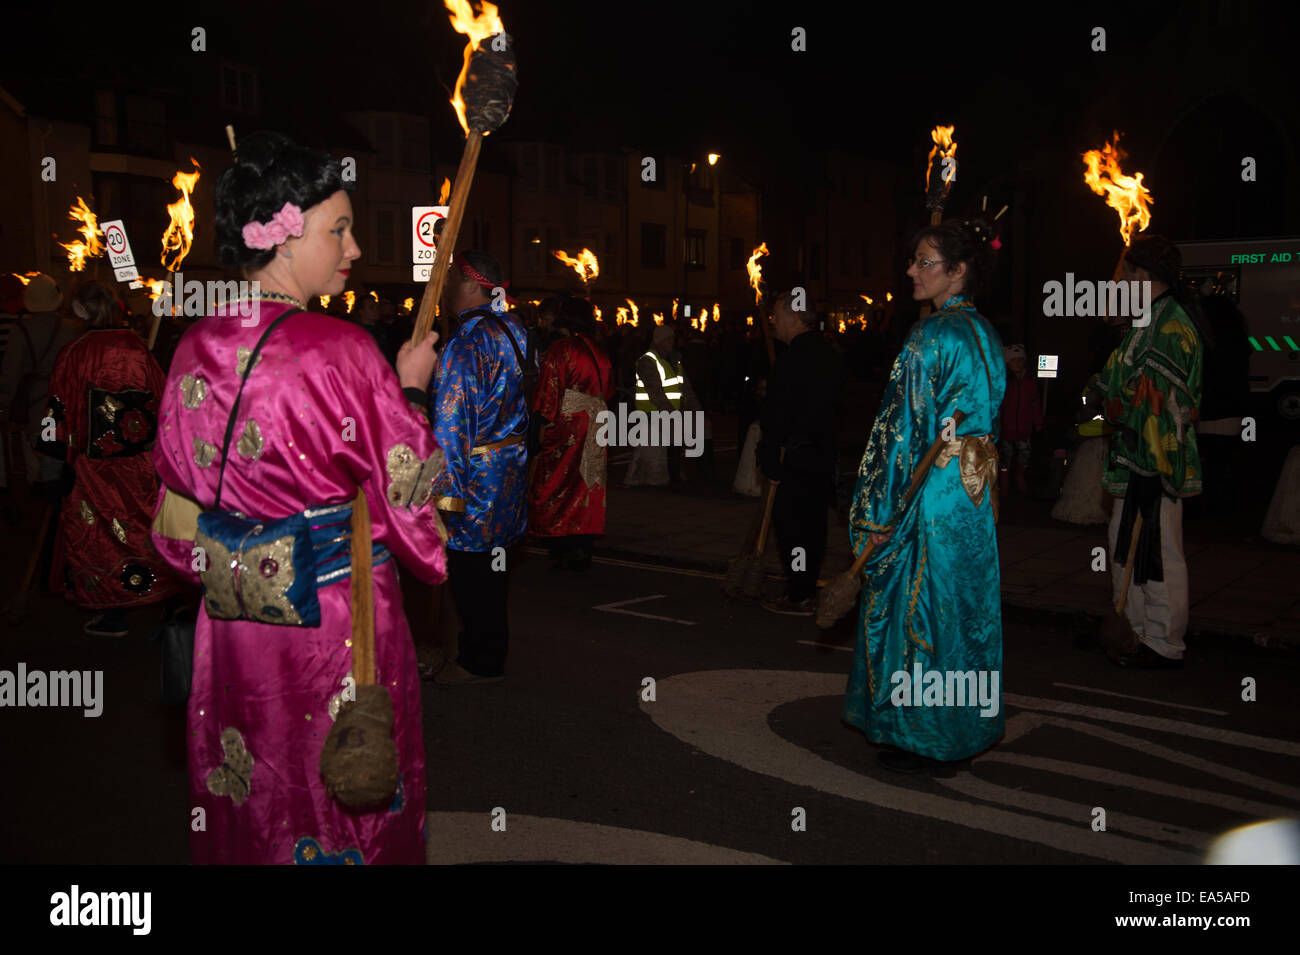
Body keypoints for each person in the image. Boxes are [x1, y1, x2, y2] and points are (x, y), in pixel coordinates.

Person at [149, 131, 446, 864]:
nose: (352, 249)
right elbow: (413, 498)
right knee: (346, 788)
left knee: (252, 784)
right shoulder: (343, 350)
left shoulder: (192, 345)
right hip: (337, 625)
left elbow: (172, 530)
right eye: (337, 229)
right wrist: (409, 388)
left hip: (235, 625)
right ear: (283, 236)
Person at [842, 216, 1006, 775]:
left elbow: (899, 433)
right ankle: (966, 726)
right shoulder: (984, 332)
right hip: (975, 489)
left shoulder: (929, 337)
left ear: (958, 272)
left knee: (923, 607)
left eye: (925, 261)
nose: (911, 270)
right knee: (965, 606)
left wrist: (878, 510)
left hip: (934, 489)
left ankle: (925, 733)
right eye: (913, 259)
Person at [42, 281, 180, 635]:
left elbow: (57, 409)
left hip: (93, 469)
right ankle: (167, 600)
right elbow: (165, 398)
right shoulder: (137, 349)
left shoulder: (73, 353)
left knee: (98, 537)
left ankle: (113, 614)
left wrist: (52, 457)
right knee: (144, 526)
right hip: (138, 464)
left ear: (82, 311)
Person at [1097, 234, 1204, 670]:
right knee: (1124, 546)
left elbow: (1158, 404)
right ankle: (1134, 633)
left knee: (1157, 551)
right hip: (1131, 454)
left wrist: (1148, 462)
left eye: (1126, 274)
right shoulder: (1146, 317)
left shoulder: (1171, 325)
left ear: (1142, 275)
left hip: (1153, 459)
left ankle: (1164, 642)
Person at [427, 250, 528, 686]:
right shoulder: (515, 329)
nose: (446, 286)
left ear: (472, 284)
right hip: (510, 467)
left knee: (471, 573)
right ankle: (490, 651)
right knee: (496, 569)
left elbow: (452, 422)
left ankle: (479, 660)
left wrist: (445, 492)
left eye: (451, 279)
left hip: (476, 477)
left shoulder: (466, 342)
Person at [757, 291, 844, 615]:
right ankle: (804, 583)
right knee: (812, 526)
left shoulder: (791, 361)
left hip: (794, 459)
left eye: (777, 314)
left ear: (795, 317)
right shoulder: (830, 355)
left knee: (794, 528)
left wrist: (769, 459)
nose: (773, 320)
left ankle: (799, 590)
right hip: (820, 457)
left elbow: (778, 417)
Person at [529, 296, 614, 570]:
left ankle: (561, 542)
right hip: (597, 422)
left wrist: (542, 422)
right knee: (588, 483)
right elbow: (609, 390)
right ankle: (582, 543)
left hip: (570, 423)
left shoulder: (561, 349)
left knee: (558, 481)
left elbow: (550, 387)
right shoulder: (599, 351)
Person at [0, 273, 80, 504]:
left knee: (45, 463)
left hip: (39, 406)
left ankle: (48, 520)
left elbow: (10, 375)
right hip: (68, 402)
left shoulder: (21, 331)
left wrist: (3, 405)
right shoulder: (73, 328)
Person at [998, 343, 1041, 497]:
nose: (1017, 363)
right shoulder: (1003, 381)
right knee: (1005, 457)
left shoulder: (1030, 381)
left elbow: (1035, 403)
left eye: (1019, 360)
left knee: (1024, 454)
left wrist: (1037, 422)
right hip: (1006, 427)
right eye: (1013, 361)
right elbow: (999, 404)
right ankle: (1004, 484)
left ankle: (1019, 477)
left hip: (1024, 427)